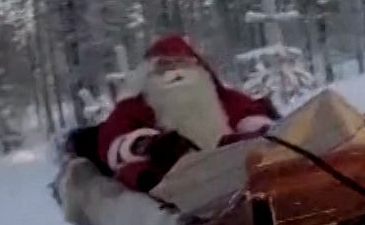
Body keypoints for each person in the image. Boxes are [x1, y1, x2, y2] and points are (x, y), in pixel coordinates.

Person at [96, 34, 278, 193]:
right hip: (177, 186)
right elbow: (114, 138)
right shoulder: (135, 107)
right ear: (148, 74)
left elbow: (249, 115)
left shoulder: (223, 97)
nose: (175, 72)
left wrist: (260, 130)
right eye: (165, 66)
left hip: (232, 174)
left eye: (181, 63)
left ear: (198, 68)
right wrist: (148, 146)